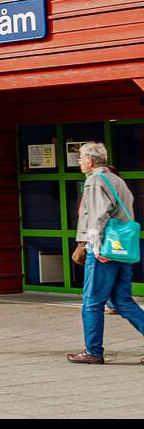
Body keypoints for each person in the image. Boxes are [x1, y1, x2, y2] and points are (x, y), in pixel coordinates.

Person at [67, 142, 144, 363]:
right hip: (121, 249)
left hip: (103, 250)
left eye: (81, 158)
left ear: (90, 161)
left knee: (92, 302)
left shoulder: (94, 181)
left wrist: (96, 246)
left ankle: (93, 352)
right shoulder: (117, 180)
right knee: (123, 301)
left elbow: (98, 217)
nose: (79, 162)